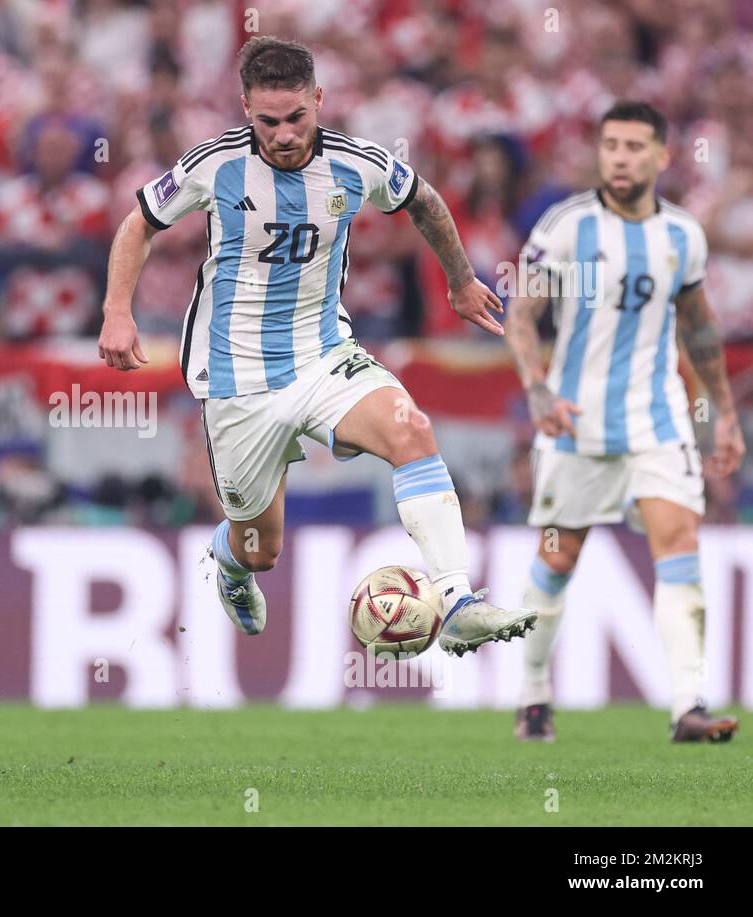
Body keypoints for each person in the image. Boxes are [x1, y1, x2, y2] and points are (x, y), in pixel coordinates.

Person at [97, 36, 537, 655]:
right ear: (246, 106)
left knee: (410, 428)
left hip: (324, 353)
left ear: (319, 101)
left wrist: (461, 281)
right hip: (236, 377)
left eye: (296, 118)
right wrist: (118, 310)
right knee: (261, 546)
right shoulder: (214, 164)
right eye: (267, 121)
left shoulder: (358, 164)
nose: (282, 135)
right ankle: (230, 561)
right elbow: (139, 221)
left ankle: (457, 599)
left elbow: (426, 202)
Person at [505, 101, 745, 743]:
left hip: (658, 421)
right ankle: (533, 695)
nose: (620, 156)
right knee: (557, 560)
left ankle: (687, 706)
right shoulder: (567, 227)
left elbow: (697, 326)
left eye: (635, 146)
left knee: (679, 541)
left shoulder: (681, 236)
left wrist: (723, 413)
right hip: (574, 422)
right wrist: (535, 388)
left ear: (663, 157)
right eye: (611, 144)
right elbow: (522, 315)